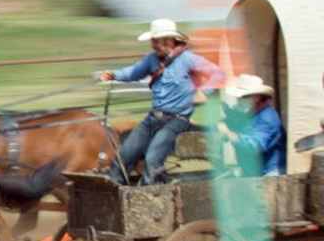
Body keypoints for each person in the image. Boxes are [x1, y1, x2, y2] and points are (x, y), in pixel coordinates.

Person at [98, 19, 207, 185]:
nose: (153, 45)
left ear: (169, 40)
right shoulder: (151, 60)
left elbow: (216, 74)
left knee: (153, 157)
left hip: (177, 120)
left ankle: (150, 194)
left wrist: (203, 91)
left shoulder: (189, 59)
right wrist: (114, 75)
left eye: (156, 41)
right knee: (125, 153)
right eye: (153, 41)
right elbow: (134, 72)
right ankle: (113, 187)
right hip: (153, 118)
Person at [218, 74, 285, 177]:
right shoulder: (252, 114)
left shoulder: (267, 118)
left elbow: (254, 146)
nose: (239, 100)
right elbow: (240, 124)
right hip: (255, 171)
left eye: (243, 97)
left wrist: (228, 133)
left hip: (269, 174)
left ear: (256, 97)